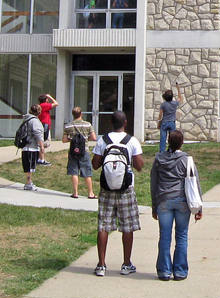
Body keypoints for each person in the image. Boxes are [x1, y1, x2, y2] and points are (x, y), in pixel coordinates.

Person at [91, 110, 144, 277]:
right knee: (127, 227)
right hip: (126, 189)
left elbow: (95, 165)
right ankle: (126, 264)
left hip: (106, 189)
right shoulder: (131, 141)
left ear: (110, 123)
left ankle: (101, 264)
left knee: (103, 226)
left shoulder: (103, 140)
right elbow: (139, 166)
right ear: (125, 123)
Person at [150, 129, 203, 281]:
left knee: (164, 237)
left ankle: (164, 271)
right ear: (182, 143)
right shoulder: (187, 160)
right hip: (182, 202)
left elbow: (154, 183)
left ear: (168, 142)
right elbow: (195, 183)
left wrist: (154, 206)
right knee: (182, 236)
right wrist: (199, 208)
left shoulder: (159, 159)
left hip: (163, 201)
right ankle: (180, 271)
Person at [62, 106, 97, 199]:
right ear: (81, 114)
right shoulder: (87, 125)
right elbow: (94, 138)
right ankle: (90, 193)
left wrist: (72, 139)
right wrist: (85, 139)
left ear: (73, 115)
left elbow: (64, 140)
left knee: (74, 171)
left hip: (73, 151)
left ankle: (75, 193)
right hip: (84, 150)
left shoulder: (68, 126)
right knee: (87, 172)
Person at [21, 103, 45, 191]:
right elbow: (37, 133)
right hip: (32, 147)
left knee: (27, 167)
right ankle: (28, 183)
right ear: (39, 111)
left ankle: (29, 183)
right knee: (30, 167)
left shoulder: (26, 119)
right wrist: (42, 146)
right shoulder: (34, 121)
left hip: (25, 146)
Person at [157, 83, 182, 153]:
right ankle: (171, 150)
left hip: (164, 122)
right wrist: (178, 89)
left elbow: (160, 115)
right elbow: (180, 98)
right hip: (172, 122)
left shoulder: (163, 105)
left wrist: (159, 123)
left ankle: (162, 152)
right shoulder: (174, 103)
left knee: (163, 138)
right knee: (172, 138)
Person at [37, 94, 59, 165]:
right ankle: (42, 160)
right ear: (45, 99)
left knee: (42, 143)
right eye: (47, 99)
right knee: (44, 143)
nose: (48, 100)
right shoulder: (44, 105)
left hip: (43, 125)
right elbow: (56, 103)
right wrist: (50, 96)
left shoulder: (40, 105)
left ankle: (39, 158)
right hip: (45, 125)